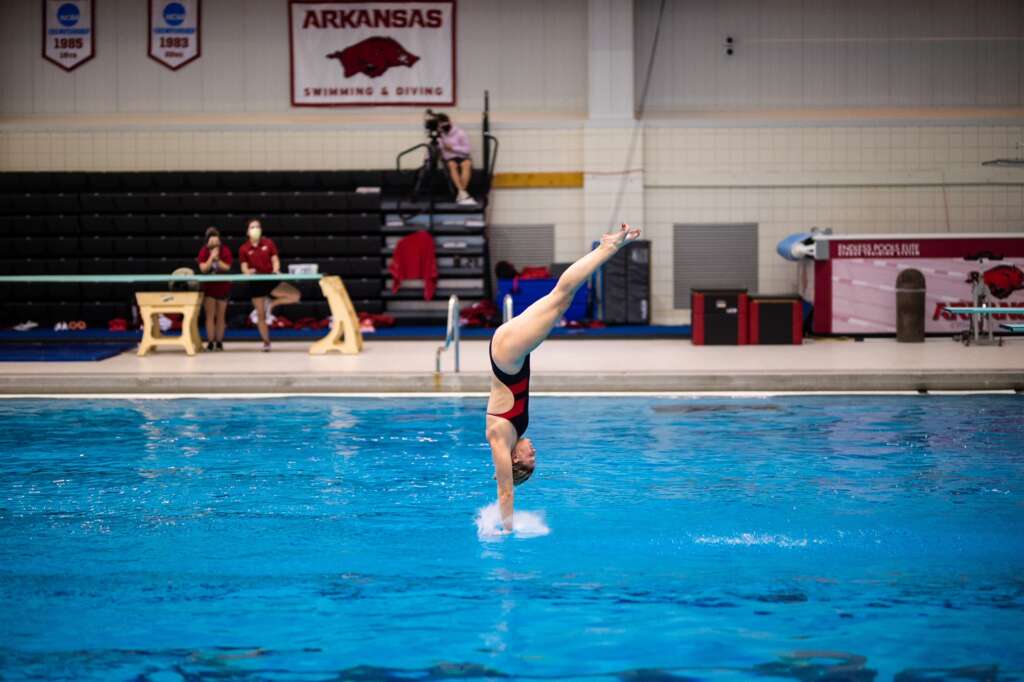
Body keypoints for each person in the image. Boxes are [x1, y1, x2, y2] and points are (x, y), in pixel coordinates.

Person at [486, 223, 642, 533]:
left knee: (561, 295)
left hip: (508, 355)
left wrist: (507, 533)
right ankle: (606, 248)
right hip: (512, 355)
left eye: (531, 460)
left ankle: (607, 247)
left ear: (515, 461)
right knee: (562, 299)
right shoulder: (514, 434)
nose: (535, 454)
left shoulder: (499, 440)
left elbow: (505, 492)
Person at [238, 219, 300, 352]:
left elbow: (275, 259)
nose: (255, 229)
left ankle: (272, 304)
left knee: (295, 296)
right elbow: (243, 267)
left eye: (258, 226)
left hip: (271, 280)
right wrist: (248, 272)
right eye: (252, 227)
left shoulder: (268, 243)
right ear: (247, 232)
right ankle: (266, 342)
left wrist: (276, 270)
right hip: (256, 284)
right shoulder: (243, 248)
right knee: (261, 316)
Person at [196, 227, 233, 351]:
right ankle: (210, 342)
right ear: (207, 242)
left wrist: (218, 259)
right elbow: (203, 268)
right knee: (210, 316)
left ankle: (219, 342)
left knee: (221, 316)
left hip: (223, 287)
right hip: (209, 288)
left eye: (216, 242)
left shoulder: (225, 250)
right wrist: (211, 258)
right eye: (211, 243)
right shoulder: (203, 251)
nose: (214, 245)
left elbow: (227, 267)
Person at [436, 113, 476, 205]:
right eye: (440, 125)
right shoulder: (440, 136)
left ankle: (461, 193)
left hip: (462, 156)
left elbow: (467, 150)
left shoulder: (460, 133)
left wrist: (453, 148)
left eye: (444, 124)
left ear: (449, 122)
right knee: (452, 165)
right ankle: (463, 194)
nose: (442, 127)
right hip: (449, 159)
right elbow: (437, 148)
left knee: (466, 164)